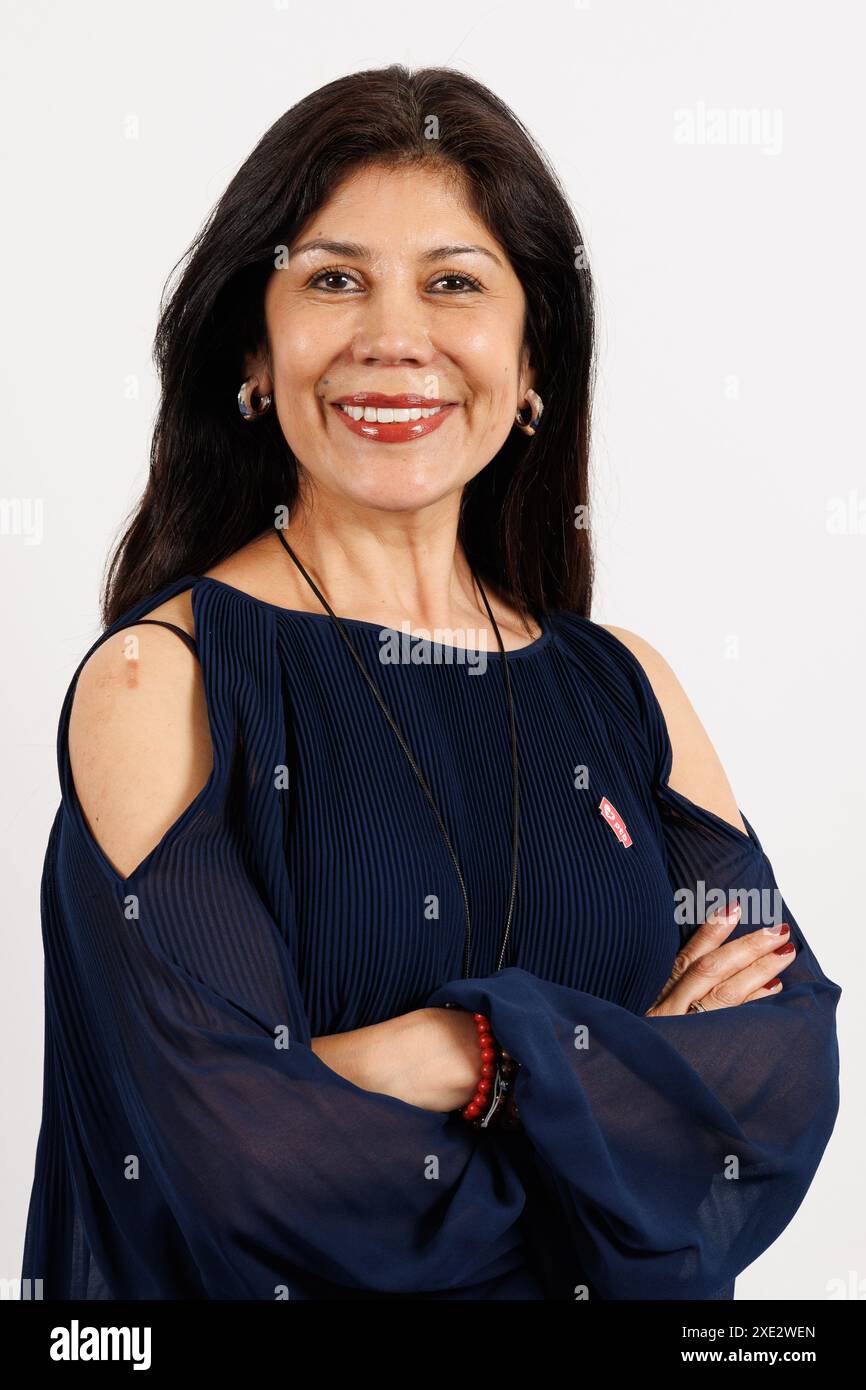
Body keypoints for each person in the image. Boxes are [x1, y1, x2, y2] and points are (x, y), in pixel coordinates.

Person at [21, 65, 840, 1301]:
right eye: (333, 279)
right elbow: (239, 1169)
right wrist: (585, 1084)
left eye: (453, 282)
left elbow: (775, 1087)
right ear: (255, 344)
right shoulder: (161, 684)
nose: (391, 337)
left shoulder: (622, 691)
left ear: (528, 367)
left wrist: (436, 1057)